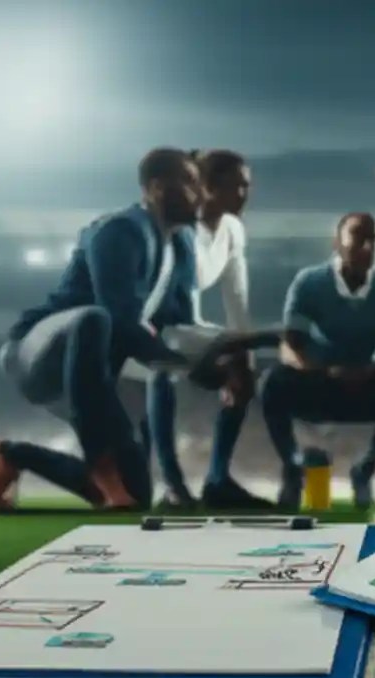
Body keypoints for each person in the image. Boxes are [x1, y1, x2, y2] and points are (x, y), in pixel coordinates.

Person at [0, 148, 275, 512]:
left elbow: (180, 328)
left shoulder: (182, 245)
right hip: (39, 354)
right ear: (154, 188)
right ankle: (102, 468)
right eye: (189, 183)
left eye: (200, 185)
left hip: (94, 379)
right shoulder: (120, 230)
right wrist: (191, 366)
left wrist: (229, 358)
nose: (199, 194)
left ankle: (10, 455)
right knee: (95, 319)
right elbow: (119, 318)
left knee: (137, 493)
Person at [260, 213, 375, 511]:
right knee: (272, 382)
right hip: (319, 383)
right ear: (337, 243)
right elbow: (290, 345)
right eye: (358, 238)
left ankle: (365, 467)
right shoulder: (309, 282)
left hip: (365, 385)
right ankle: (293, 467)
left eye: (373, 240)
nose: (366, 247)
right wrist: (324, 372)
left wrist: (367, 374)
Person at [141, 149, 273, 510]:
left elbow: (237, 297)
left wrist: (242, 358)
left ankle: (217, 480)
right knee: (162, 370)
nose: (245, 194)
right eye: (237, 186)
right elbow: (173, 300)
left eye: (248, 186)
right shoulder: (181, 228)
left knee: (244, 370)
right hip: (152, 324)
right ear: (208, 189)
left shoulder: (232, 230)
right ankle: (172, 484)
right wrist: (216, 350)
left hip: (187, 321)